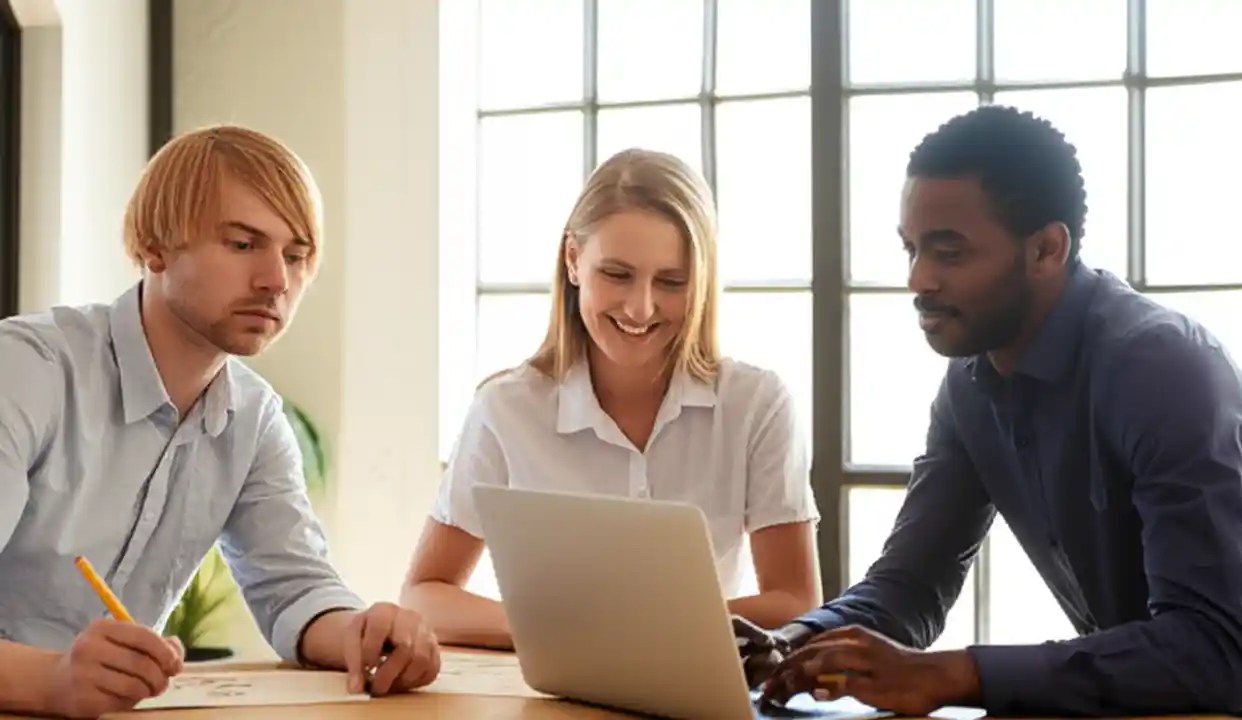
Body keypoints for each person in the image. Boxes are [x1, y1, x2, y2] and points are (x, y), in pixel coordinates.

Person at [735, 104, 1242, 719]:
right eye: (910, 249)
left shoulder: (1163, 368)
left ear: (1047, 248)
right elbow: (909, 588)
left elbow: (1214, 656)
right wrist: (793, 641)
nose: (918, 279)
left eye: (949, 252)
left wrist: (956, 674)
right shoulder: (970, 382)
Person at [0, 125, 442, 719]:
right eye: (242, 245)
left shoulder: (253, 419)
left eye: (295, 255)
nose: (276, 281)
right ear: (156, 248)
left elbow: (295, 590)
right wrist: (51, 680)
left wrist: (364, 635)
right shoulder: (27, 370)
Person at [401, 148, 822, 649]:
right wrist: (557, 630)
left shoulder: (757, 404)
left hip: (690, 690)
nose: (641, 308)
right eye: (617, 275)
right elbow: (424, 594)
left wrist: (634, 629)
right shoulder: (506, 407)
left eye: (671, 281)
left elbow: (795, 600)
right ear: (574, 259)